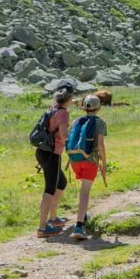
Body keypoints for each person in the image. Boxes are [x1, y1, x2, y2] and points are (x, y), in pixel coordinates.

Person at [64, 93, 108, 242]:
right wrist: (104, 163)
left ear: (83, 108)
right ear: (99, 108)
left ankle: (84, 217)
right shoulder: (100, 123)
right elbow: (100, 145)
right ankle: (79, 226)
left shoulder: (77, 120)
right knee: (85, 193)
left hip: (75, 160)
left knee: (83, 190)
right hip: (90, 160)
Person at [34, 87, 74, 239]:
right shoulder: (63, 113)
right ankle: (42, 227)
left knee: (61, 183)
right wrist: (74, 142)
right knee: (49, 189)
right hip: (52, 154)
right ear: (68, 100)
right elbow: (63, 135)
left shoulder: (52, 109)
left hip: (42, 151)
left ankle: (53, 218)